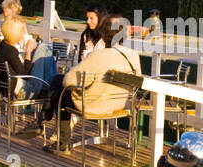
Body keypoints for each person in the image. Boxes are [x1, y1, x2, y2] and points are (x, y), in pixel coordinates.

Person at [45, 21, 139, 152]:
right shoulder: (133, 56)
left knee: (60, 88)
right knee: (59, 84)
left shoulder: (98, 55)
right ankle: (45, 116)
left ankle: (61, 141)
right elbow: (137, 81)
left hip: (95, 104)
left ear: (104, 36)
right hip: (119, 103)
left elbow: (69, 80)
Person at [0, 17, 56, 101]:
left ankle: (50, 89)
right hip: (23, 91)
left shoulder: (2, 45)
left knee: (44, 49)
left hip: (6, 89)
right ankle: (52, 91)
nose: (23, 33)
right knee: (43, 48)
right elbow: (24, 73)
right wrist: (28, 51)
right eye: (22, 31)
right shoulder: (11, 50)